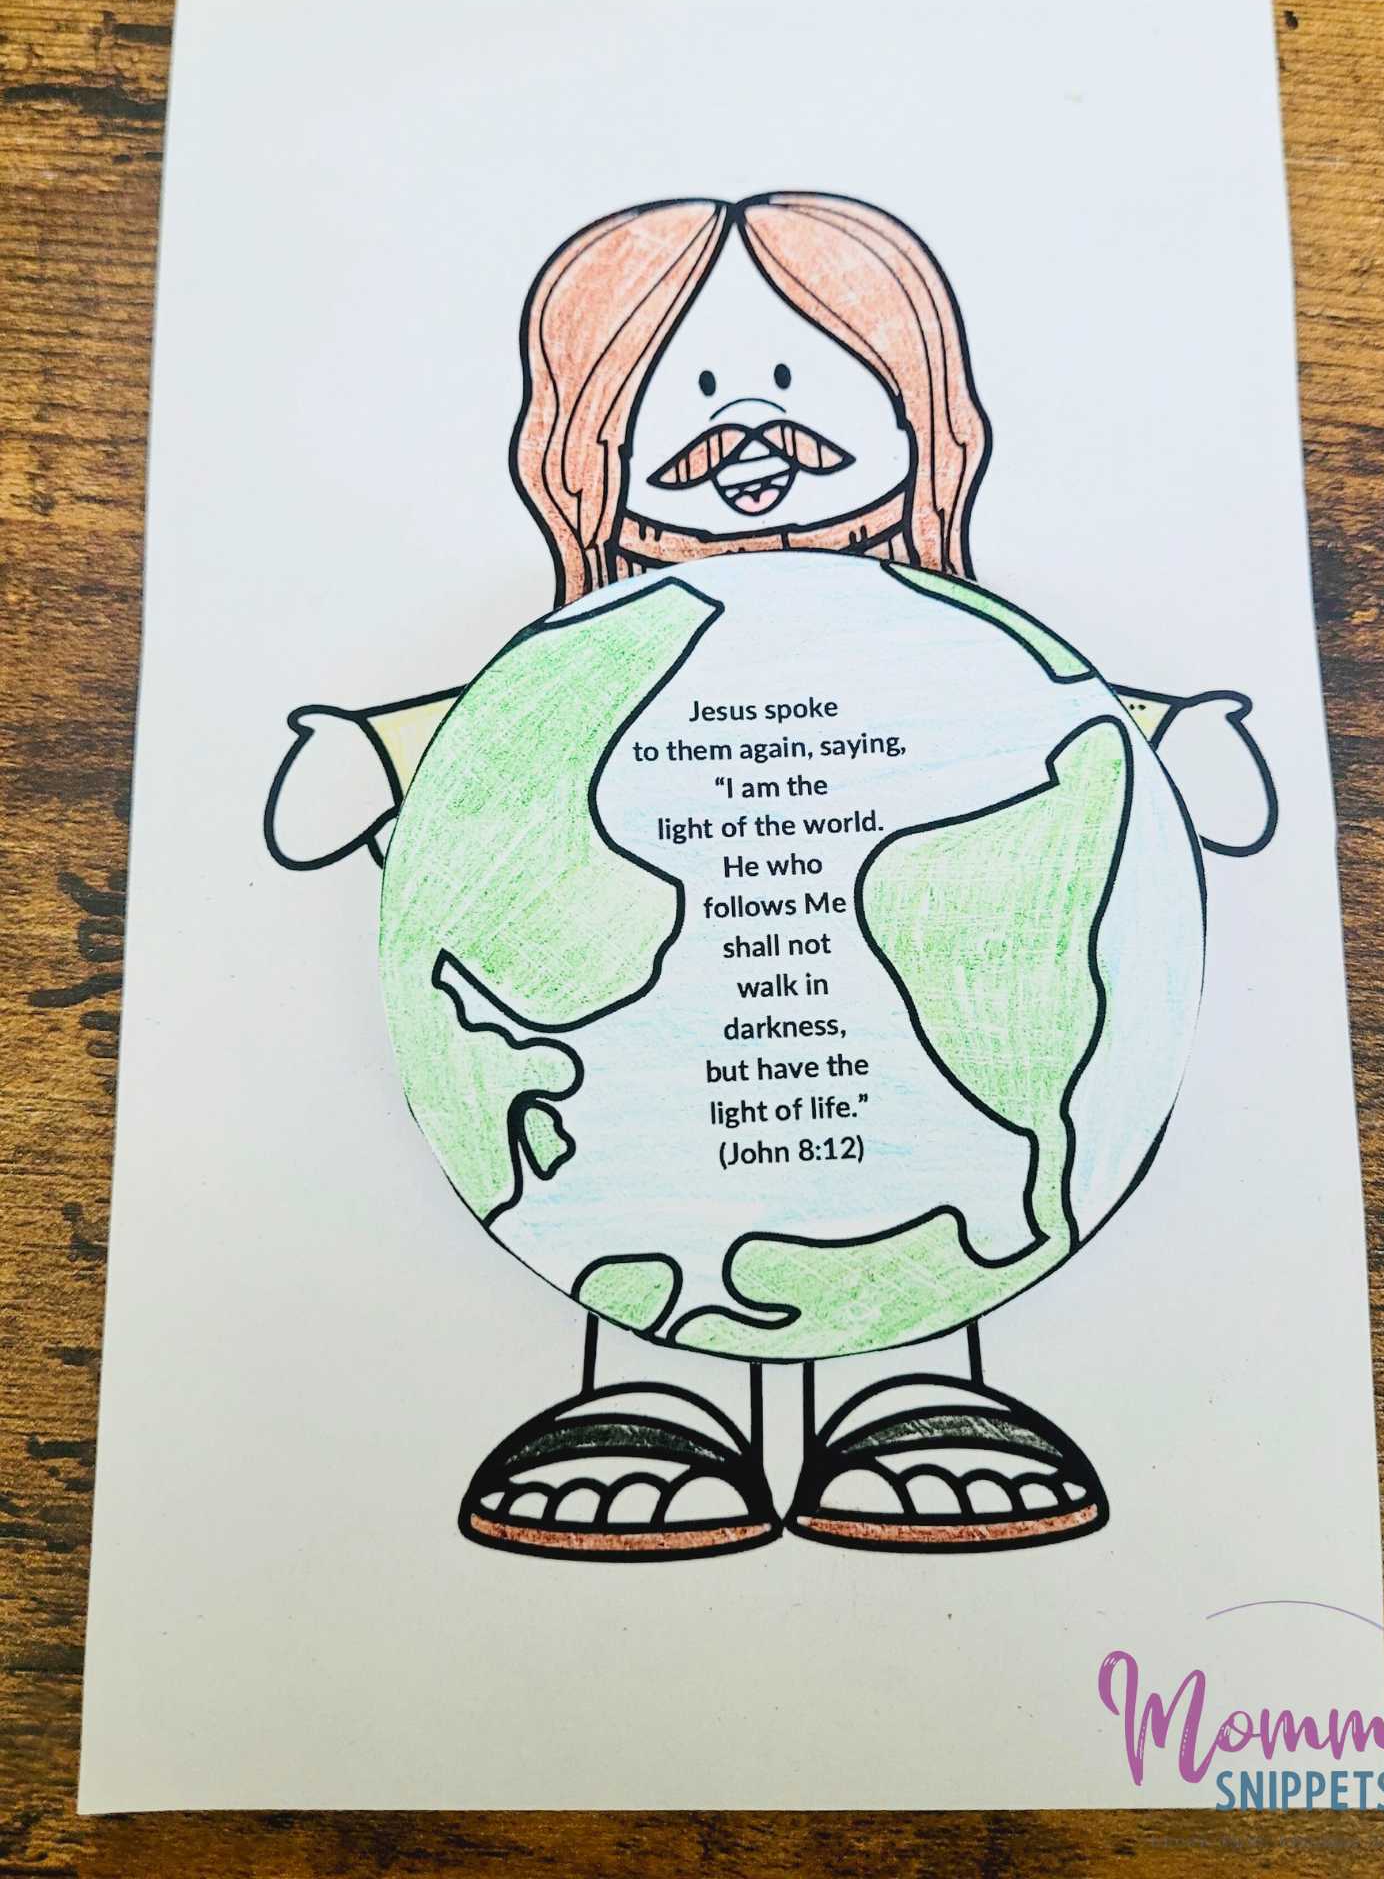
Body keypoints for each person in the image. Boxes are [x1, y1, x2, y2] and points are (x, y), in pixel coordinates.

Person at [267, 193, 1275, 1558]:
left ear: (920, 416)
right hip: (635, 999)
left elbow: (1058, 722)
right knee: (626, 1112)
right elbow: (485, 750)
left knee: (943, 1109)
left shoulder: (951, 645)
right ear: (586, 443)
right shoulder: (576, 664)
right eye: (682, 393)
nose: (745, 425)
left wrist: (1174, 738)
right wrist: (373, 753)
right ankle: (647, 1397)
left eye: (800, 377)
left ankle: (914, 1387)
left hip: (918, 1001)